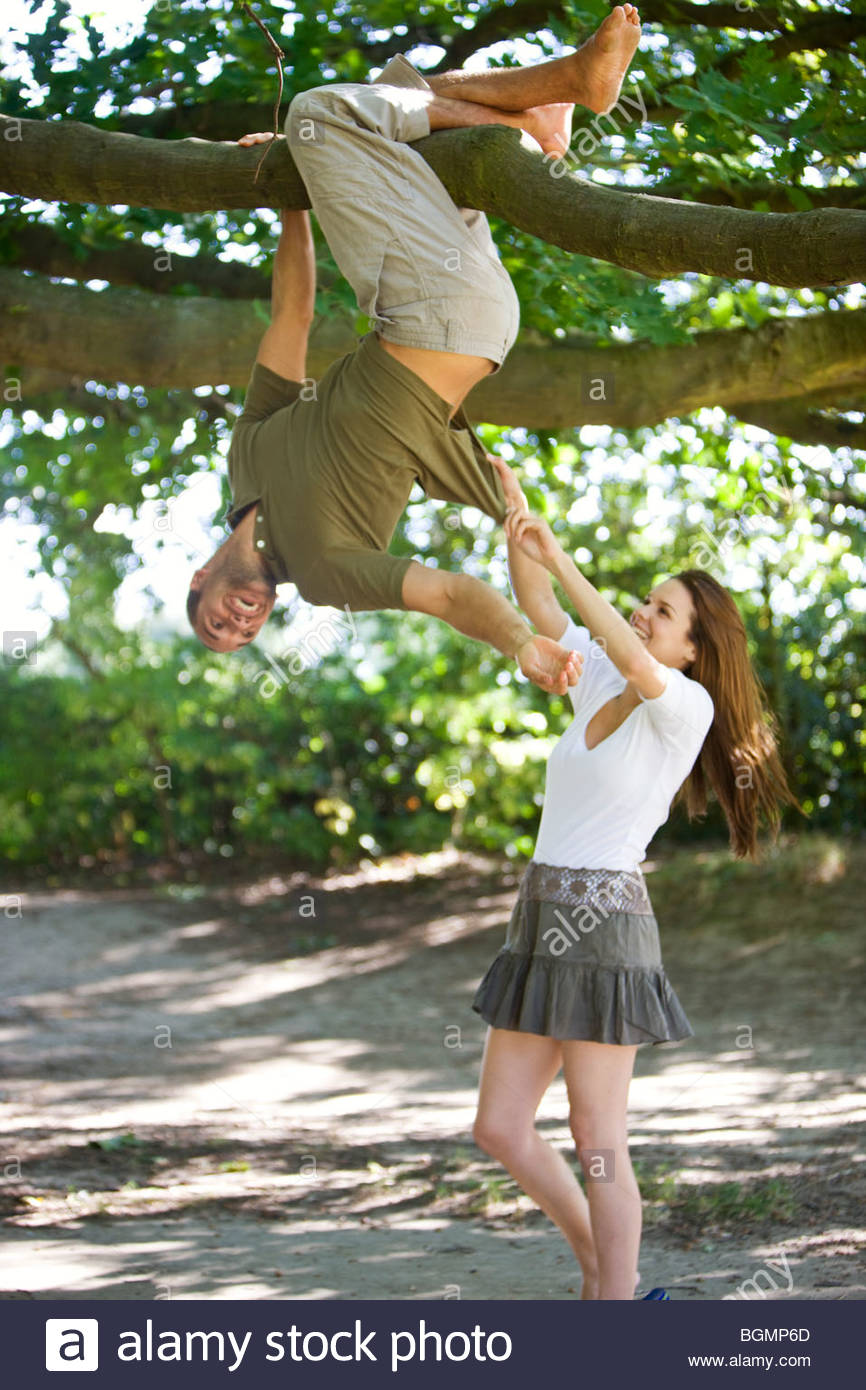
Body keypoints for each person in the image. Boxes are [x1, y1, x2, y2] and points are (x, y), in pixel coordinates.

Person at [185, 7, 646, 694]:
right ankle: (528, 123)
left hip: (429, 299)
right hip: (436, 317)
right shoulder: (323, 575)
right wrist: (521, 643)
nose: (239, 626)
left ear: (199, 580)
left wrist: (289, 198)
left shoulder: (244, 456)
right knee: (318, 116)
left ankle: (555, 99)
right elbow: (452, 596)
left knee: (398, 96)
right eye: (244, 637)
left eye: (216, 623)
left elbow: (292, 315)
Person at [471, 458, 804, 1300]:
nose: (645, 615)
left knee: (596, 1138)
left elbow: (597, 619)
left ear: (693, 648)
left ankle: (615, 1313)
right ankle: (604, 1266)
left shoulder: (680, 708)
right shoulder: (604, 676)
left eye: (664, 611)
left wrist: (564, 557)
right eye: (648, 601)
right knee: (501, 1127)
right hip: (541, 917)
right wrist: (517, 520)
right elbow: (540, 608)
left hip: (606, 928)